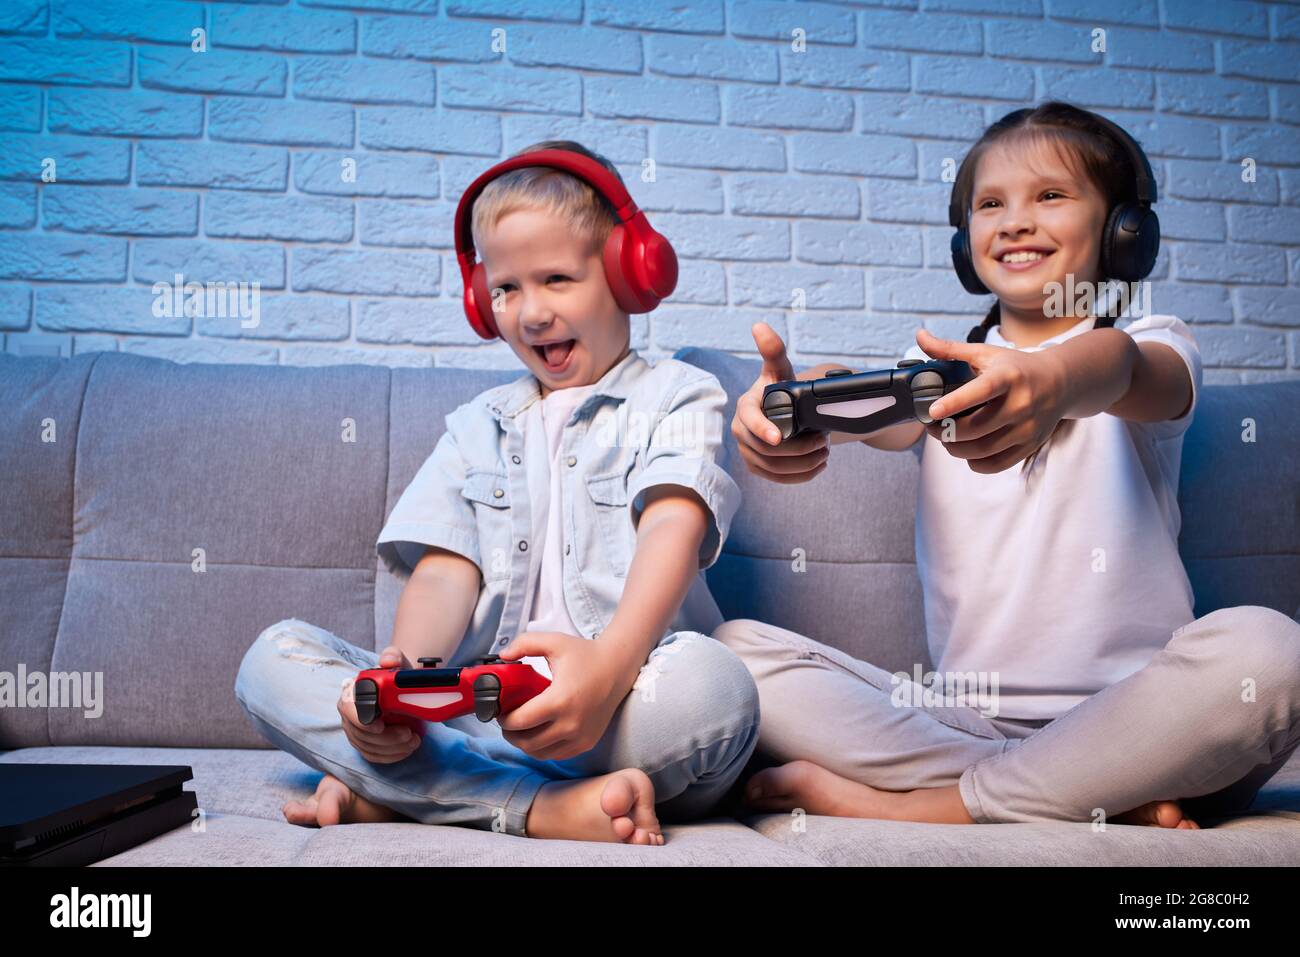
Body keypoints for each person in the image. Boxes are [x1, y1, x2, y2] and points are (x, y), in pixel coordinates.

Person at [720, 101, 1300, 830]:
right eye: (991, 204)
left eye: (1050, 195)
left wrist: (1049, 380)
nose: (1016, 222)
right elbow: (861, 399)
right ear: (965, 243)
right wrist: (795, 408)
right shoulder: (935, 375)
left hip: (1146, 715)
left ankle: (944, 803)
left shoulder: (1158, 344)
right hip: (966, 723)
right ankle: (1082, 789)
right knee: (733, 655)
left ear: (1123, 232)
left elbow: (1117, 365)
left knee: (1270, 651)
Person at [235, 141, 758, 844]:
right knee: (270, 660)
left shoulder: (678, 394)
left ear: (629, 273)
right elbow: (445, 570)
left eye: (557, 279)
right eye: (506, 289)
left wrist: (608, 670)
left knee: (716, 689)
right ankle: (536, 806)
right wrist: (403, 688)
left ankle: (415, 790)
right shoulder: (475, 425)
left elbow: (673, 526)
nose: (530, 313)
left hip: (618, 711)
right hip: (483, 715)